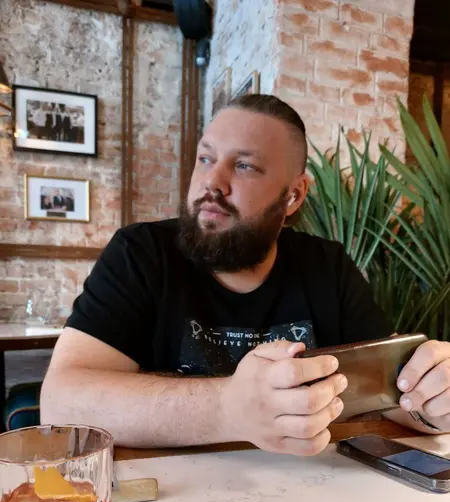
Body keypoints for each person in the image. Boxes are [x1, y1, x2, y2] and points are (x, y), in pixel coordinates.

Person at [41, 95, 450, 454]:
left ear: (293, 195)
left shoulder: (327, 267)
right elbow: (62, 405)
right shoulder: (141, 253)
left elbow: (392, 395)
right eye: (206, 158)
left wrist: (434, 400)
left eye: (244, 166)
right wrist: (226, 408)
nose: (212, 181)